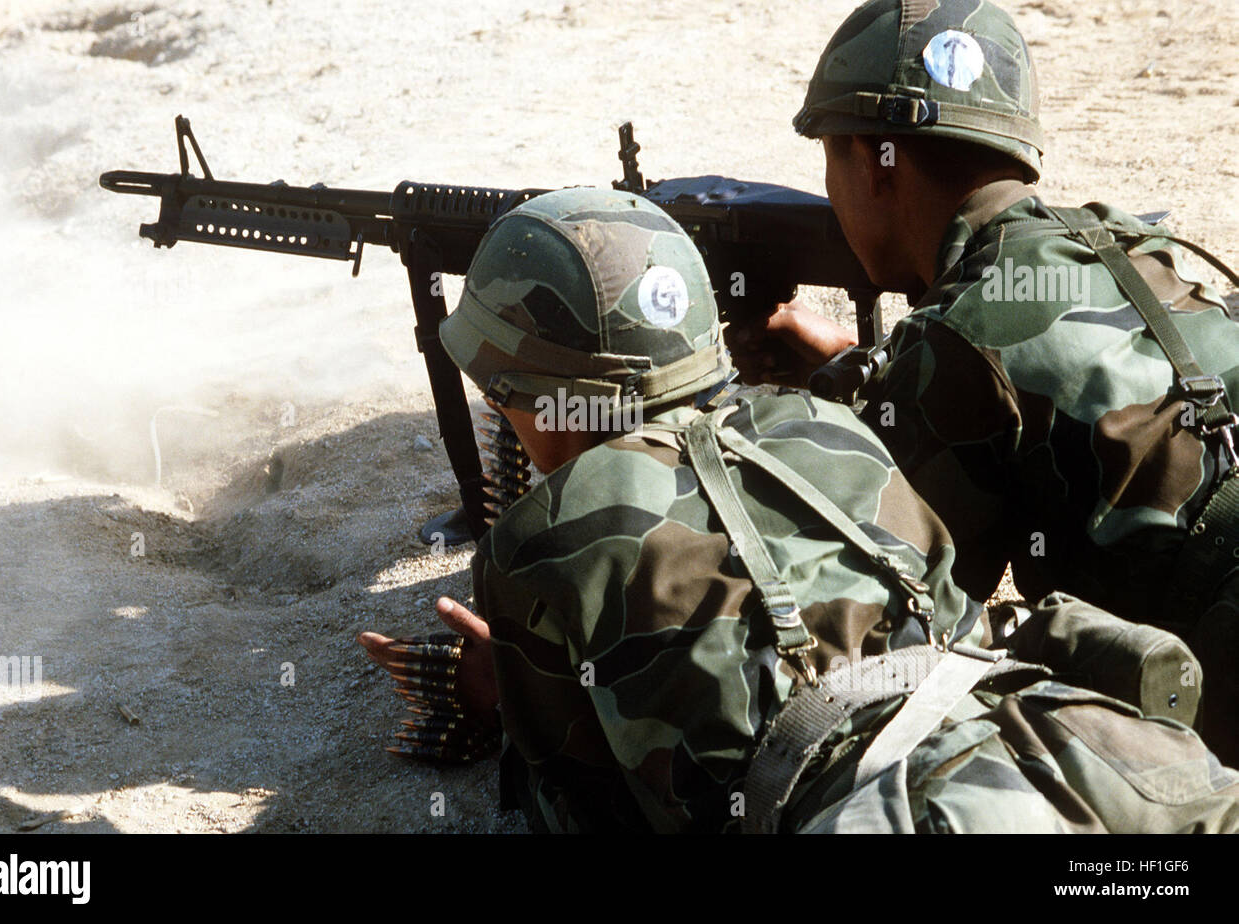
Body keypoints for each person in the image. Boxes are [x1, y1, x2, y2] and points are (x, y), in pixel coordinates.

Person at [359, 185, 1239, 833]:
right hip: (1093, 760)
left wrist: (509, 692)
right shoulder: (825, 422)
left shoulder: (539, 539)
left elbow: (584, 813)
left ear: (526, 396)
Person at [731, 0, 1239, 763]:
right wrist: (868, 367)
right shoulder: (1122, 243)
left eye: (829, 155)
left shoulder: (957, 338)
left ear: (875, 162)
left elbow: (888, 611)